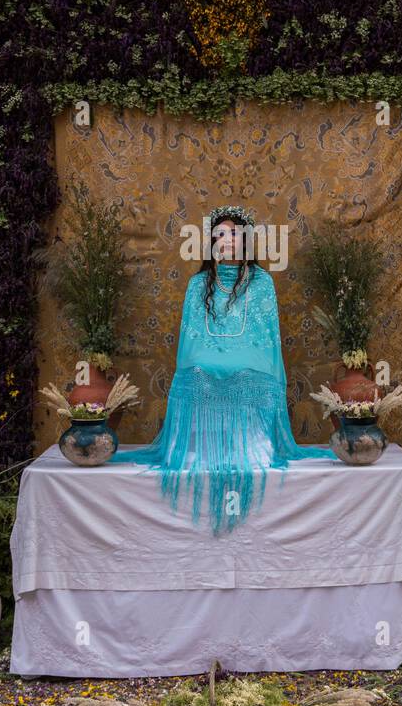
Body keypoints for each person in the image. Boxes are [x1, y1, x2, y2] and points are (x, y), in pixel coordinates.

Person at [117, 206, 334, 532]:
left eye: (233, 233)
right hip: (207, 357)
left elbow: (265, 338)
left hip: (250, 360)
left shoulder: (262, 283)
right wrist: (211, 358)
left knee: (246, 371)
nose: (226, 240)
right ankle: (202, 447)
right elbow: (191, 337)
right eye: (220, 234)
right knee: (199, 368)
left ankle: (252, 446)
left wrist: (239, 357)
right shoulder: (197, 284)